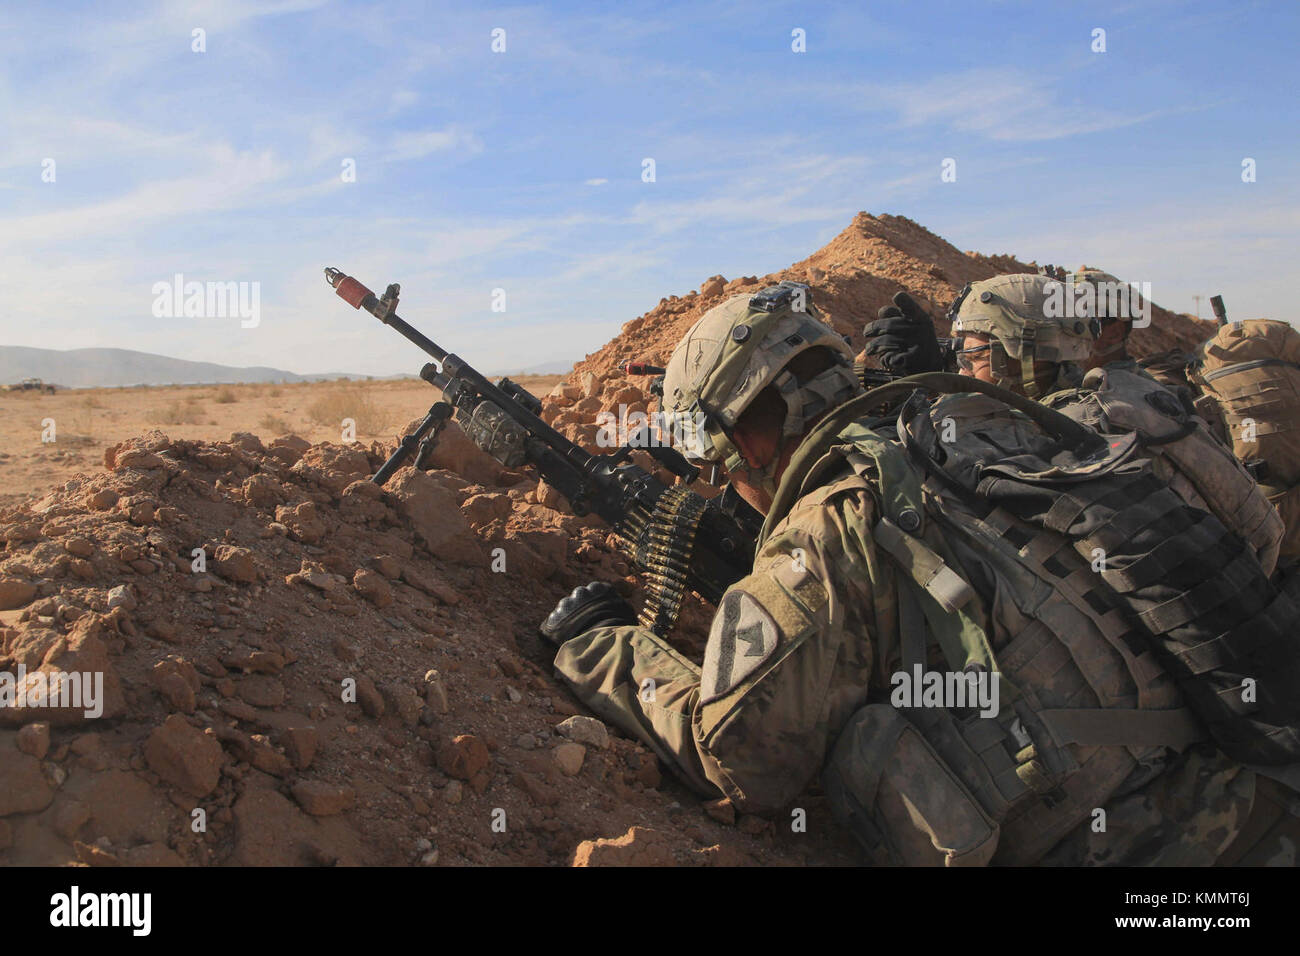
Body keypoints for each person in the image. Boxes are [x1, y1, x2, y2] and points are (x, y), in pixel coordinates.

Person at [540, 281, 1300, 865]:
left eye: (719, 458)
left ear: (743, 437)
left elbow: (745, 759)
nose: (723, 477)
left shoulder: (833, 528)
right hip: (1258, 790)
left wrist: (605, 644)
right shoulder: (989, 424)